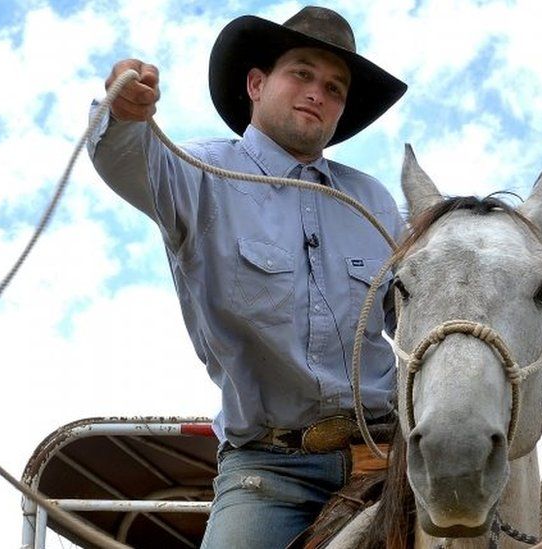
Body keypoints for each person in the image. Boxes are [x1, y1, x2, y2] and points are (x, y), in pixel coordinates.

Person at [87, 6, 407, 547]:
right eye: (301, 73)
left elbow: (418, 316)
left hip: (388, 454)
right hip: (270, 471)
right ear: (257, 84)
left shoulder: (373, 201)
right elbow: (125, 159)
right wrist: (123, 114)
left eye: (334, 88)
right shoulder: (198, 174)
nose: (317, 93)